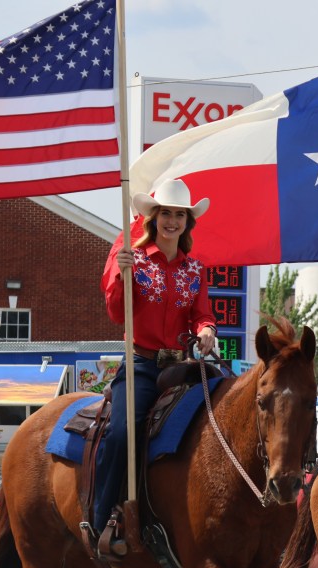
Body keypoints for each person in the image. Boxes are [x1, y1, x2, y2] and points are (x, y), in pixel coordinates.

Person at [98, 179, 218, 533]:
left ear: (187, 222)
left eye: (179, 215)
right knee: (122, 434)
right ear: (153, 218)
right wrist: (120, 276)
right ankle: (101, 517)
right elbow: (117, 314)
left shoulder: (194, 269)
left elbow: (202, 314)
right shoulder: (132, 259)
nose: (172, 221)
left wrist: (207, 329)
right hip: (142, 364)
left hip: (181, 366)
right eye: (166, 213)